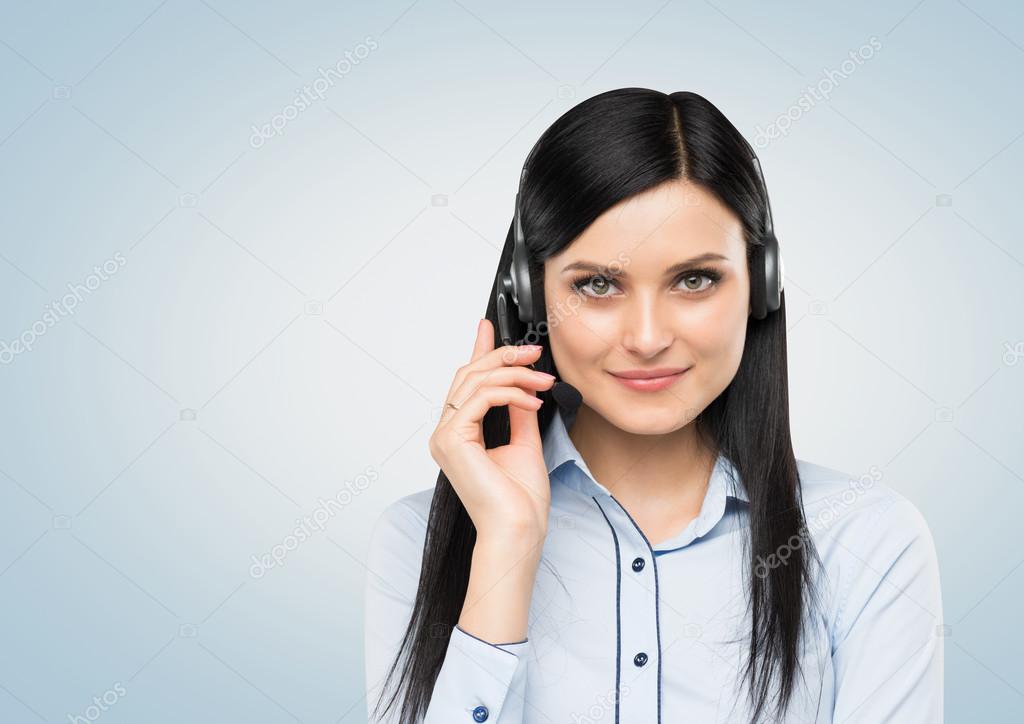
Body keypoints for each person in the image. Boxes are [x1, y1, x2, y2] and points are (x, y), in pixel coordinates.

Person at [363, 88, 943, 723]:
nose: (646, 338)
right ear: (529, 294)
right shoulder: (419, 542)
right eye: (597, 284)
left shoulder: (866, 539)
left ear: (761, 285)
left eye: (694, 280)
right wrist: (505, 546)